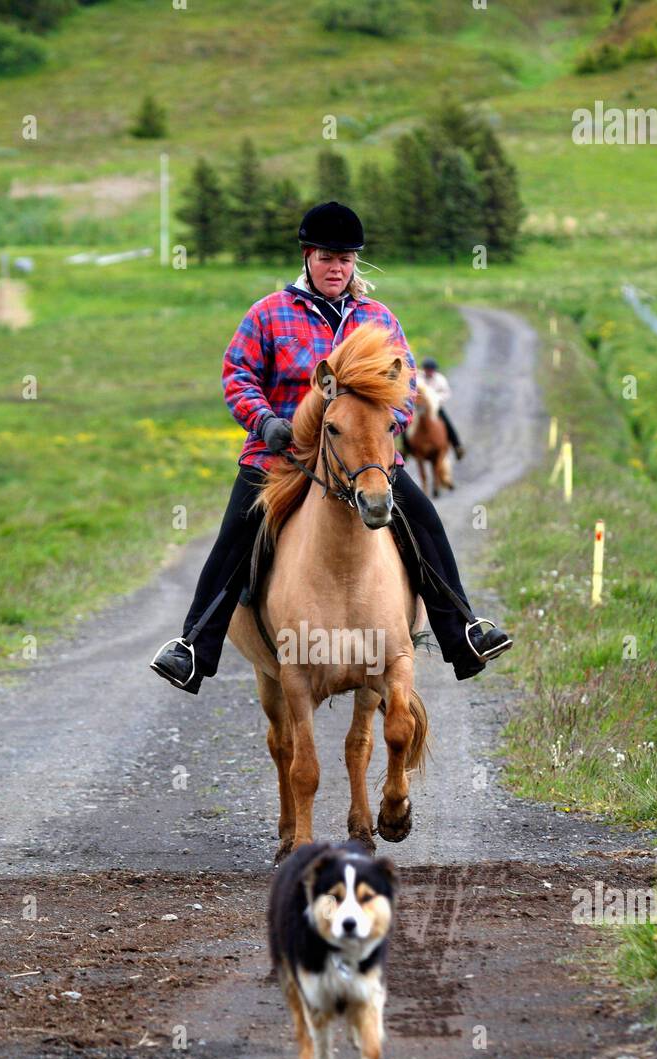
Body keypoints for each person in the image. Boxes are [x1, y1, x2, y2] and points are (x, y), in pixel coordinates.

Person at [151, 201, 512, 695]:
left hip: (364, 457)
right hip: (279, 459)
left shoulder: (377, 319)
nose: (336, 267)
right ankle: (193, 647)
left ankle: (463, 632)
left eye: (345, 258)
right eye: (326, 257)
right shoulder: (268, 313)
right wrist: (266, 422)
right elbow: (237, 375)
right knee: (237, 533)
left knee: (424, 518)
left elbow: (402, 385)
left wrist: (386, 424)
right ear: (307, 257)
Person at [419, 356, 465, 460]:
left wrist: (435, 399)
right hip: (420, 408)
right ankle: (405, 449)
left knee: (447, 424)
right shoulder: (419, 379)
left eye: (431, 370)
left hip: (435, 408)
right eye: (427, 369)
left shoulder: (440, 379)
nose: (429, 371)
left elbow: (446, 393)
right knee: (408, 424)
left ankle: (457, 446)